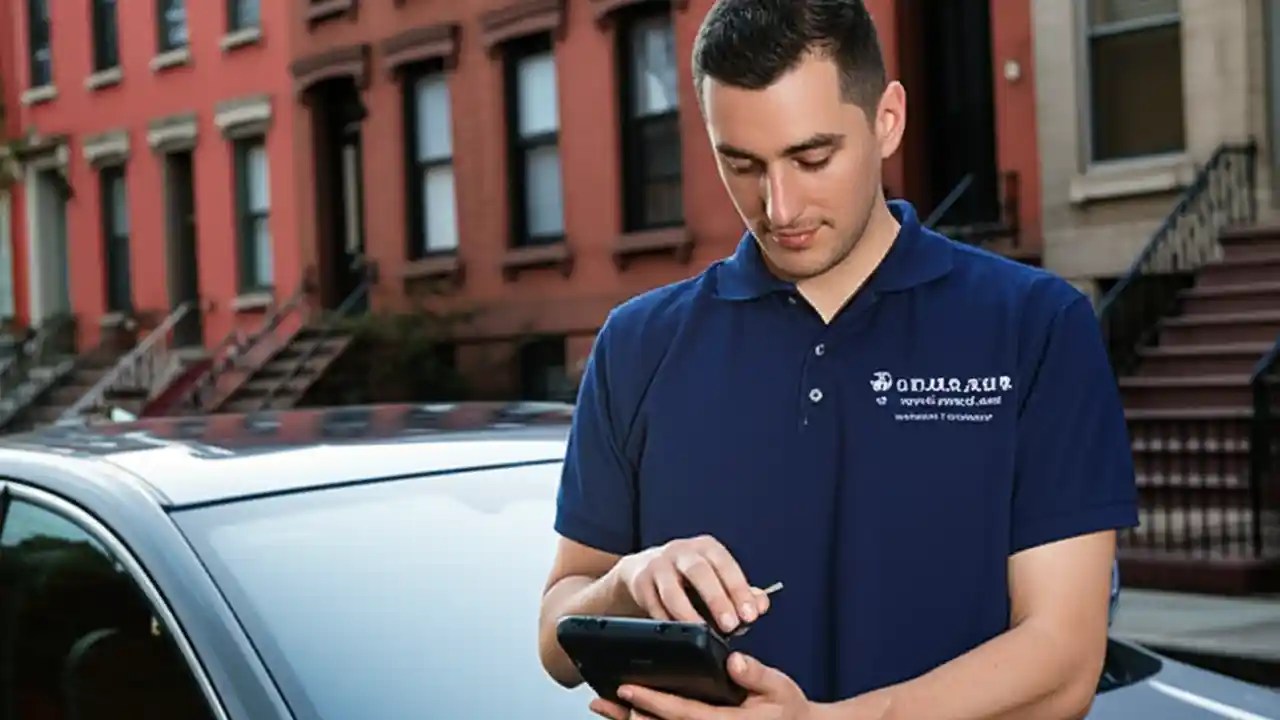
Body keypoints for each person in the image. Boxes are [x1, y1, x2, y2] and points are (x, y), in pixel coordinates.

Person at [537, 0, 1140, 718]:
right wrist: (629, 582)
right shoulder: (637, 345)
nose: (779, 205)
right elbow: (557, 634)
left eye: (811, 157)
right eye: (743, 164)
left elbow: (1063, 661)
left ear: (887, 120)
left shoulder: (1036, 327)